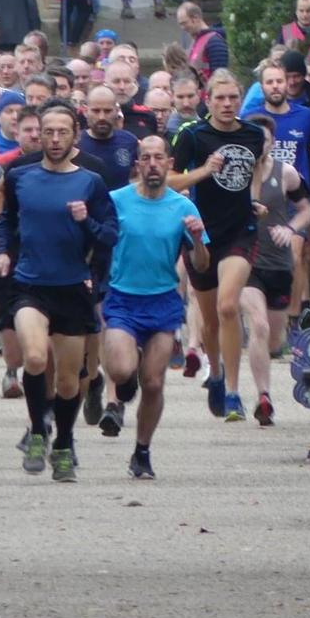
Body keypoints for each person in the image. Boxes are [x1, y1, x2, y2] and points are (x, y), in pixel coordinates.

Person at [0, 99, 117, 482]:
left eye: (63, 131)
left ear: (75, 136)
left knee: (68, 380)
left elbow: (111, 235)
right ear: (38, 135)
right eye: (48, 131)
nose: (55, 138)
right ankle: (36, 430)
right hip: (30, 283)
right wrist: (2, 253)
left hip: (73, 288)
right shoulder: (20, 177)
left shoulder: (90, 182)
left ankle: (62, 441)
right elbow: (7, 222)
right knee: (33, 358)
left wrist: (86, 224)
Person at [100, 135, 209, 479]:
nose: (151, 164)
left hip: (163, 302)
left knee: (154, 383)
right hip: (122, 297)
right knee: (120, 371)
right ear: (136, 164)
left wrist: (195, 237)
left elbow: (202, 265)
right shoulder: (116, 201)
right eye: (144, 158)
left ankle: (142, 451)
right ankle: (123, 386)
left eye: (157, 157)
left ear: (168, 163)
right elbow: (96, 240)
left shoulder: (183, 208)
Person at [168, 69, 265, 420]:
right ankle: (217, 373)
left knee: (228, 307)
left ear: (241, 100)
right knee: (209, 320)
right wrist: (203, 172)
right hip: (201, 233)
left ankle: (235, 393)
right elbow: (170, 179)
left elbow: (259, 167)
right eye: (219, 98)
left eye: (232, 98)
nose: (226, 104)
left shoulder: (253, 134)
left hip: (240, 231)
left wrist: (253, 198)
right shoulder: (193, 136)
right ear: (207, 101)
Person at [240, 115, 310, 426]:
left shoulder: (286, 174)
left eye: (265, 140)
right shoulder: (236, 174)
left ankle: (265, 377)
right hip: (246, 261)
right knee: (258, 326)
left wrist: (291, 228)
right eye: (254, 139)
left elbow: (307, 210)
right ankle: (263, 397)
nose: (260, 145)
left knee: (272, 340)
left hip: (279, 264)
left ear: (272, 143)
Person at [177, 2, 230, 77]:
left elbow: (220, 80)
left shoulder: (215, 43)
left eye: (184, 23)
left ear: (195, 18)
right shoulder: (196, 41)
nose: (182, 28)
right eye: (180, 24)